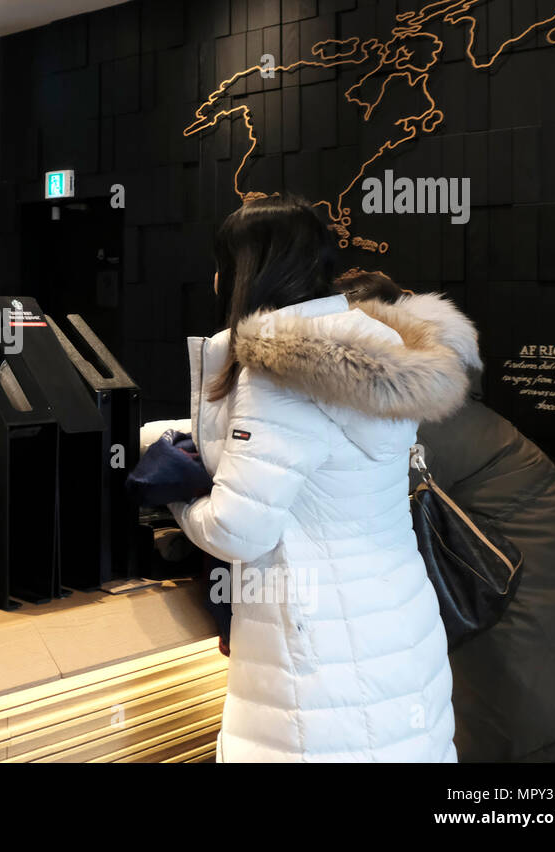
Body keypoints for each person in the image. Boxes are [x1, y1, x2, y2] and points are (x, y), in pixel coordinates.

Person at [169, 195, 477, 762]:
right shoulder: (376, 348)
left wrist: (176, 495)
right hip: (398, 622)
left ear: (246, 271)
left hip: (314, 653)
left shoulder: (280, 370)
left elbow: (239, 531)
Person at [334, 267, 555, 763]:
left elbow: (356, 502)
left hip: (529, 590)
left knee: (520, 733)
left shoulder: (408, 407)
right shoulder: (441, 384)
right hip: (551, 572)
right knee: (535, 736)